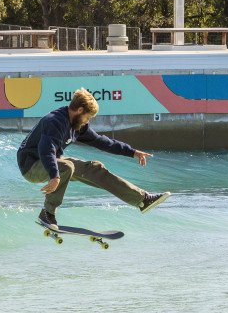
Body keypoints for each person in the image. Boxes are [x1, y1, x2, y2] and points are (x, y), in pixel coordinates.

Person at [16, 87, 169, 228]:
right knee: (66, 167)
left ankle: (142, 200)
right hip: (31, 165)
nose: (87, 122)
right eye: (87, 117)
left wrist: (132, 152)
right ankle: (48, 214)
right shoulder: (55, 121)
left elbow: (102, 141)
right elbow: (45, 150)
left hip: (50, 163)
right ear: (80, 110)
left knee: (95, 168)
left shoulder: (77, 125)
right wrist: (54, 176)